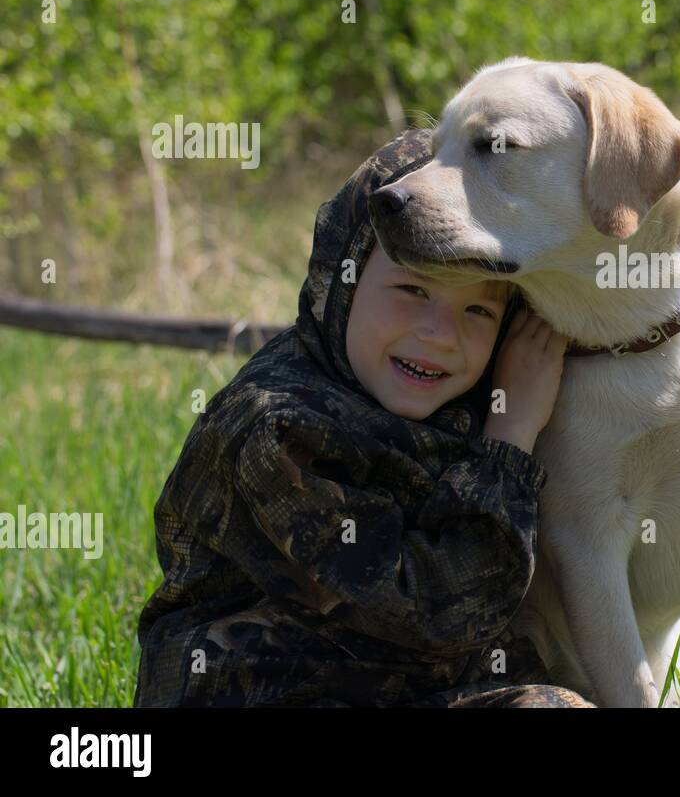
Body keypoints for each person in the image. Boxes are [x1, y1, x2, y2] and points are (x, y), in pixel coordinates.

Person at [134, 129, 592, 707]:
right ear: (341, 279)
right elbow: (440, 615)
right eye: (411, 290)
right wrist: (511, 439)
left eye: (478, 307)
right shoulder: (276, 428)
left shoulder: (469, 392)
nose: (440, 336)